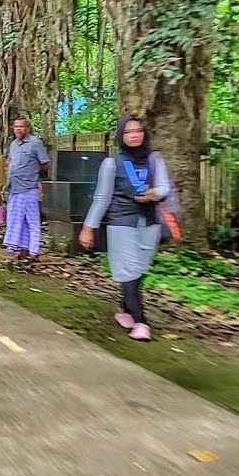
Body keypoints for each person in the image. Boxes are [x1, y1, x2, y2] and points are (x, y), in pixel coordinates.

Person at [79, 116, 171, 342]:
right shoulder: (112, 163)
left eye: (138, 131)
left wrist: (153, 194)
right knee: (128, 270)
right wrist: (88, 227)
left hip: (149, 221)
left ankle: (124, 309)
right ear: (121, 136)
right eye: (128, 132)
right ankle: (141, 322)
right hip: (121, 221)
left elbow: (164, 187)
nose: (134, 135)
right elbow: (101, 197)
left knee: (139, 269)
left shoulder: (154, 160)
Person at [3, 117, 50, 261]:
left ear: (27, 129)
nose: (18, 129)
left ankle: (34, 251)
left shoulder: (35, 143)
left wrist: (35, 176)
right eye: (16, 126)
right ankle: (21, 249)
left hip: (29, 188)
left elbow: (45, 163)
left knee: (32, 221)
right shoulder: (13, 145)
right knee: (17, 221)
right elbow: (11, 164)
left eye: (21, 126)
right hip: (14, 189)